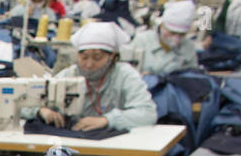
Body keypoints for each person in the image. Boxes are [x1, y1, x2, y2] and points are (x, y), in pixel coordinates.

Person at [24, 21, 155, 130]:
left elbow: (147, 114)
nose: (89, 64)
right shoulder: (70, 74)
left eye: (97, 57)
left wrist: (107, 120)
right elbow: (24, 103)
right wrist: (40, 110)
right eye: (84, 57)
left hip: (110, 150)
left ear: (112, 56)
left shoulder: (125, 75)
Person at [132, 0, 199, 74]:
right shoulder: (142, 41)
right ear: (161, 26)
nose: (176, 38)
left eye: (181, 35)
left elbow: (193, 75)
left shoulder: (188, 47)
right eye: (172, 33)